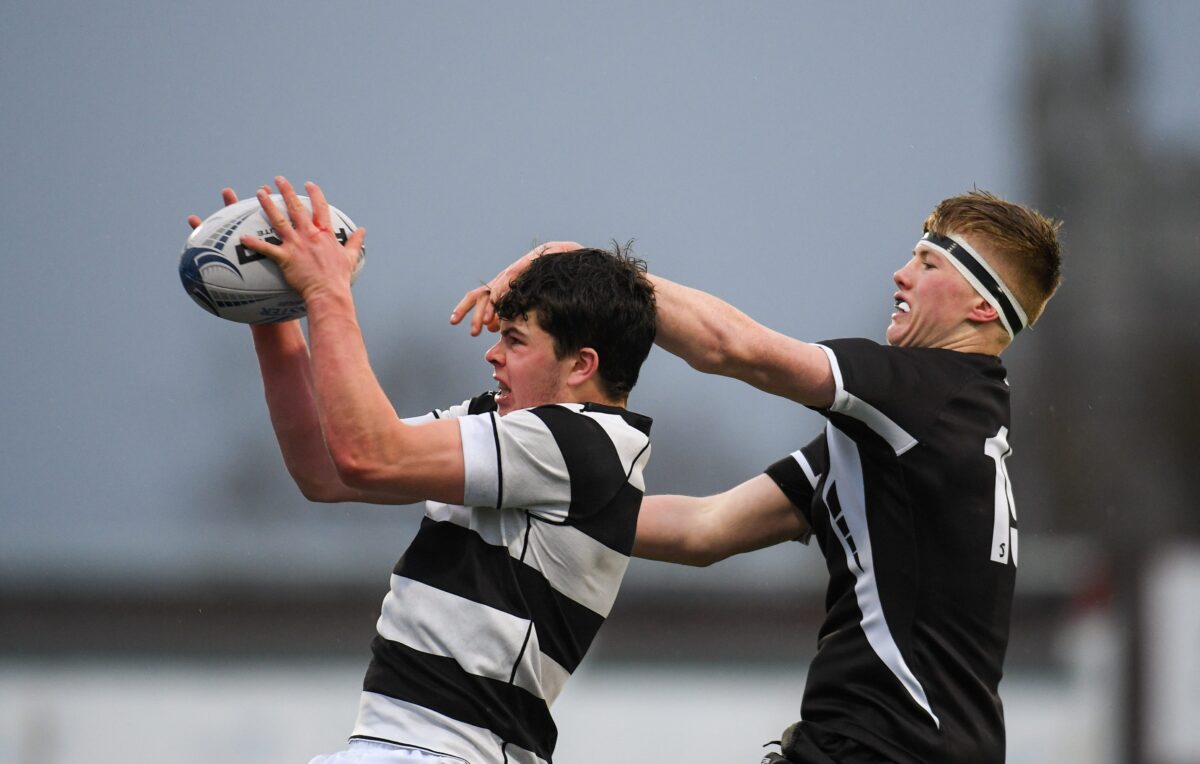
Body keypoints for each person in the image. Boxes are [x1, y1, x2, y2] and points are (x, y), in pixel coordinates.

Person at [451, 190, 1063, 764]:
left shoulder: (923, 393)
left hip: (879, 749)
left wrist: (577, 263)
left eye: (930, 264)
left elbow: (728, 347)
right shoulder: (923, 431)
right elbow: (705, 530)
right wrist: (519, 486)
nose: (901, 274)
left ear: (983, 307)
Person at [189, 177, 657, 764]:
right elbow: (327, 468)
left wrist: (327, 292)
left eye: (515, 340)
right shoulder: (512, 426)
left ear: (583, 365)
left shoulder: (581, 442)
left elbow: (368, 454)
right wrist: (273, 307)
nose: (493, 353)